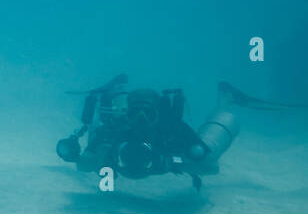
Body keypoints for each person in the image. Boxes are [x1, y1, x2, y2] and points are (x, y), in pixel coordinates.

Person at [55, 75, 292, 189]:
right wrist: (103, 156)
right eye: (135, 113)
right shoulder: (116, 128)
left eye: (148, 113)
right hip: (114, 140)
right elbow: (83, 163)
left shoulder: (171, 129)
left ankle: (226, 102)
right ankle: (111, 92)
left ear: (158, 114)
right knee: (101, 128)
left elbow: (210, 166)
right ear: (126, 113)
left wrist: (169, 162)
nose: (141, 120)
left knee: (207, 152)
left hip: (168, 155)